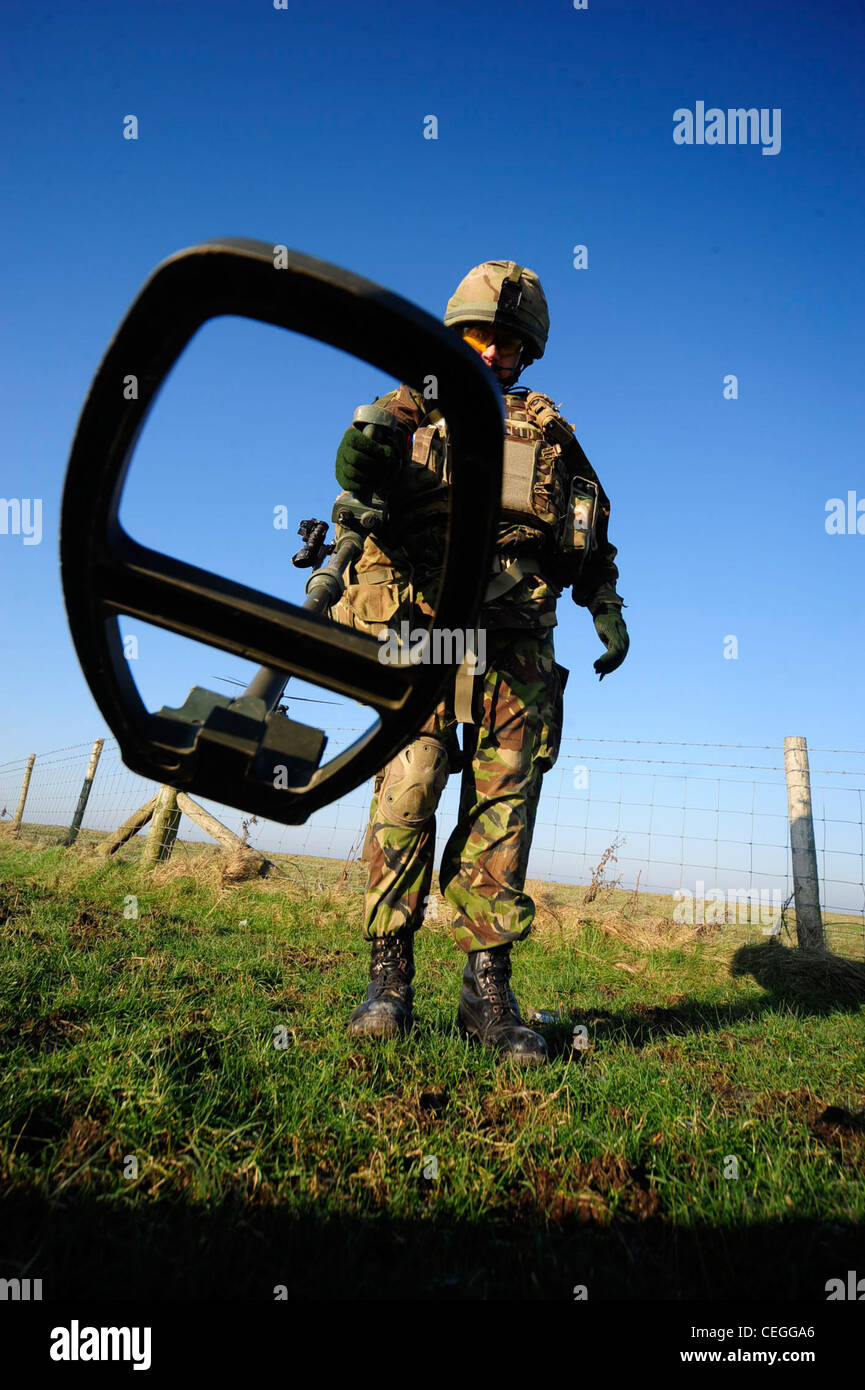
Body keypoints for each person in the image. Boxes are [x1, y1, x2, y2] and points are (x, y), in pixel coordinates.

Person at [330, 260, 629, 1066]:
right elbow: (356, 480)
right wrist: (360, 458)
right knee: (409, 786)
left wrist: (604, 603)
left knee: (504, 808)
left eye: (509, 343)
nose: (494, 353)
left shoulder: (551, 430)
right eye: (479, 336)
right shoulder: (410, 404)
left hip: (517, 638)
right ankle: (387, 981)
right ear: (455, 331)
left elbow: (588, 524)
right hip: (423, 625)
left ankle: (485, 993)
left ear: (527, 353)